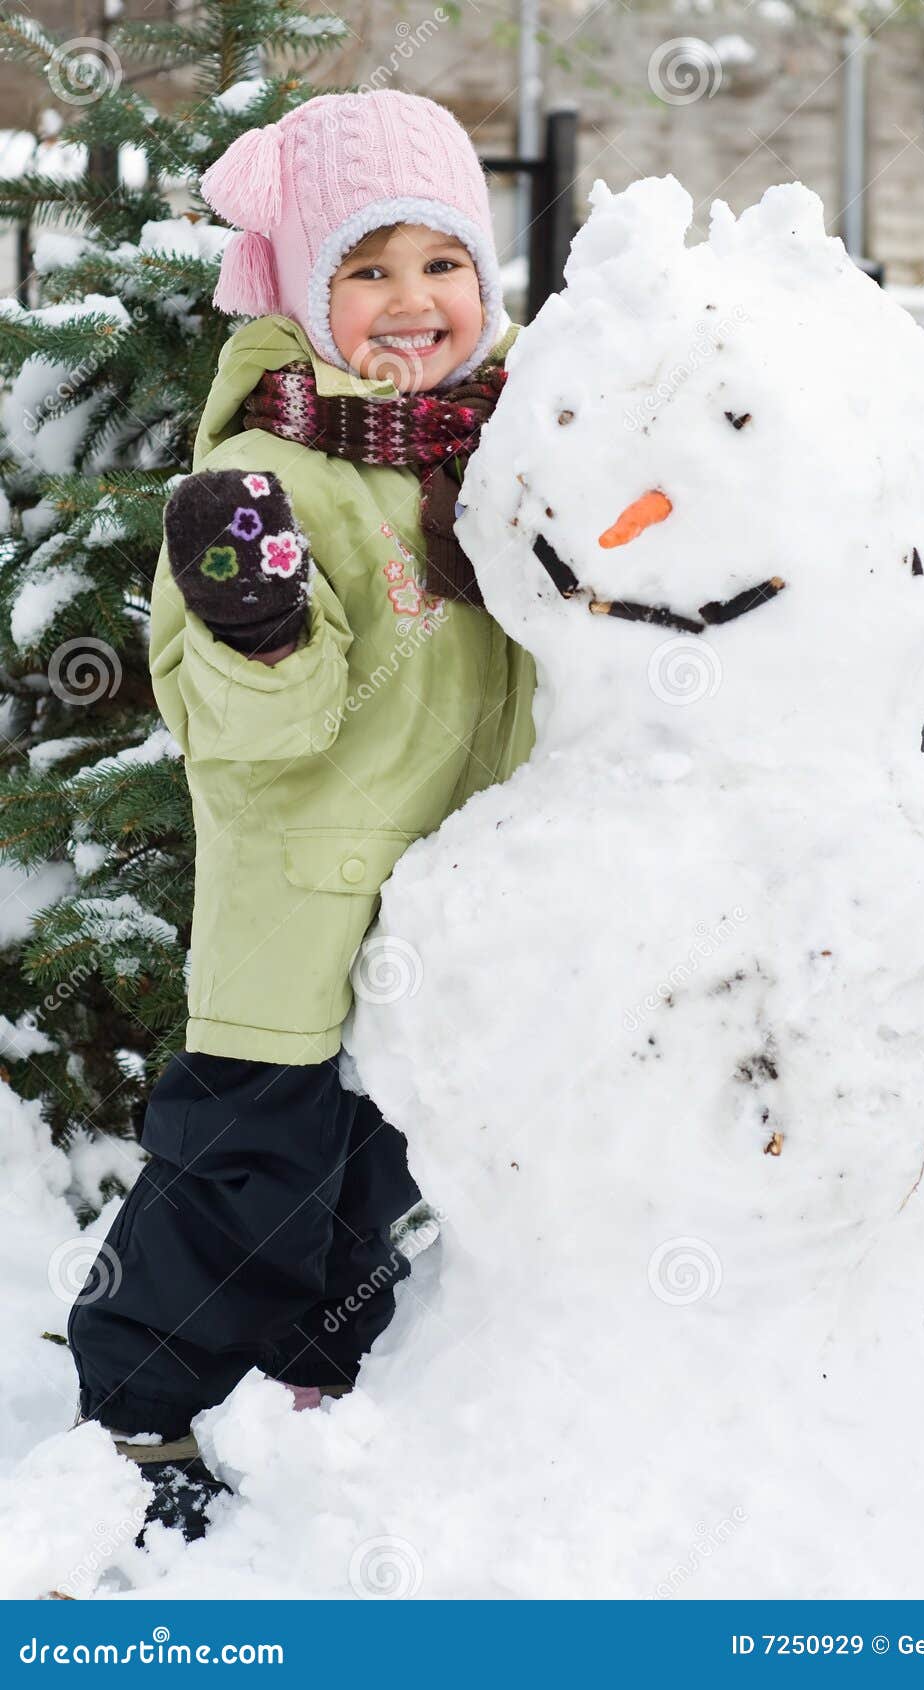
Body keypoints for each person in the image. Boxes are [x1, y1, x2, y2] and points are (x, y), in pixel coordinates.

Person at [66, 89, 537, 1539]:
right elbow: (245, 739)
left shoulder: (510, 444)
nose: (411, 303)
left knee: (383, 1170)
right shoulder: (264, 477)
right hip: (299, 918)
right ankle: (137, 1407)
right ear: (306, 294)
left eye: (441, 264)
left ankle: (306, 1384)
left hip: (451, 913)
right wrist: (255, 621)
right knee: (244, 1175)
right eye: (368, 269)